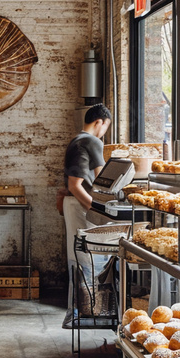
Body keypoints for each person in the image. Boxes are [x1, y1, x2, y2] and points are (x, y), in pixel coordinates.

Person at [59, 103, 112, 310]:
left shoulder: (76, 140)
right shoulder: (91, 141)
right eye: (106, 126)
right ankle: (92, 308)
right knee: (89, 258)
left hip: (73, 206)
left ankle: (83, 307)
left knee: (80, 258)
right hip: (80, 206)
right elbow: (75, 185)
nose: (104, 132)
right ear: (100, 122)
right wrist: (96, 209)